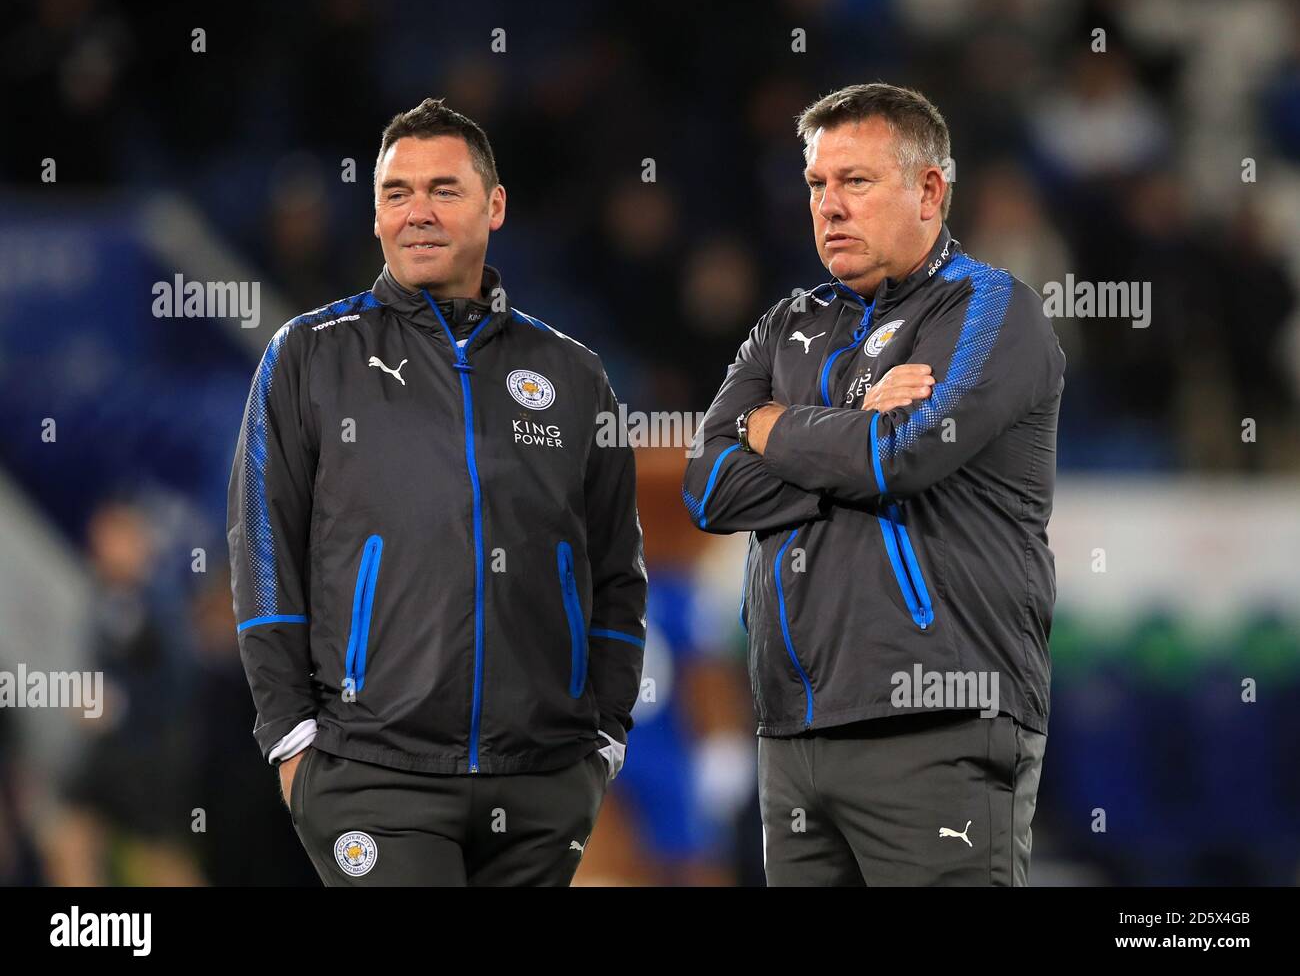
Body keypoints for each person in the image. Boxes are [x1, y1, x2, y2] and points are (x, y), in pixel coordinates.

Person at [227, 98, 647, 886]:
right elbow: (262, 552)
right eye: (396, 193)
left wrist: (606, 734)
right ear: (376, 216)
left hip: (543, 778)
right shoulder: (309, 357)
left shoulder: (573, 374)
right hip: (372, 770)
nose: (416, 212)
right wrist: (290, 739)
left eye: (443, 190)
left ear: (495, 205)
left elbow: (616, 571)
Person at [682, 83, 1066, 886]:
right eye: (818, 184)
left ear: (930, 189)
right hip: (790, 734)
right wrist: (850, 432)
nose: (829, 206)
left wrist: (774, 425)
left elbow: (908, 455)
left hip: (936, 720)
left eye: (855, 181)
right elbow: (707, 486)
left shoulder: (993, 308)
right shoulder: (785, 323)